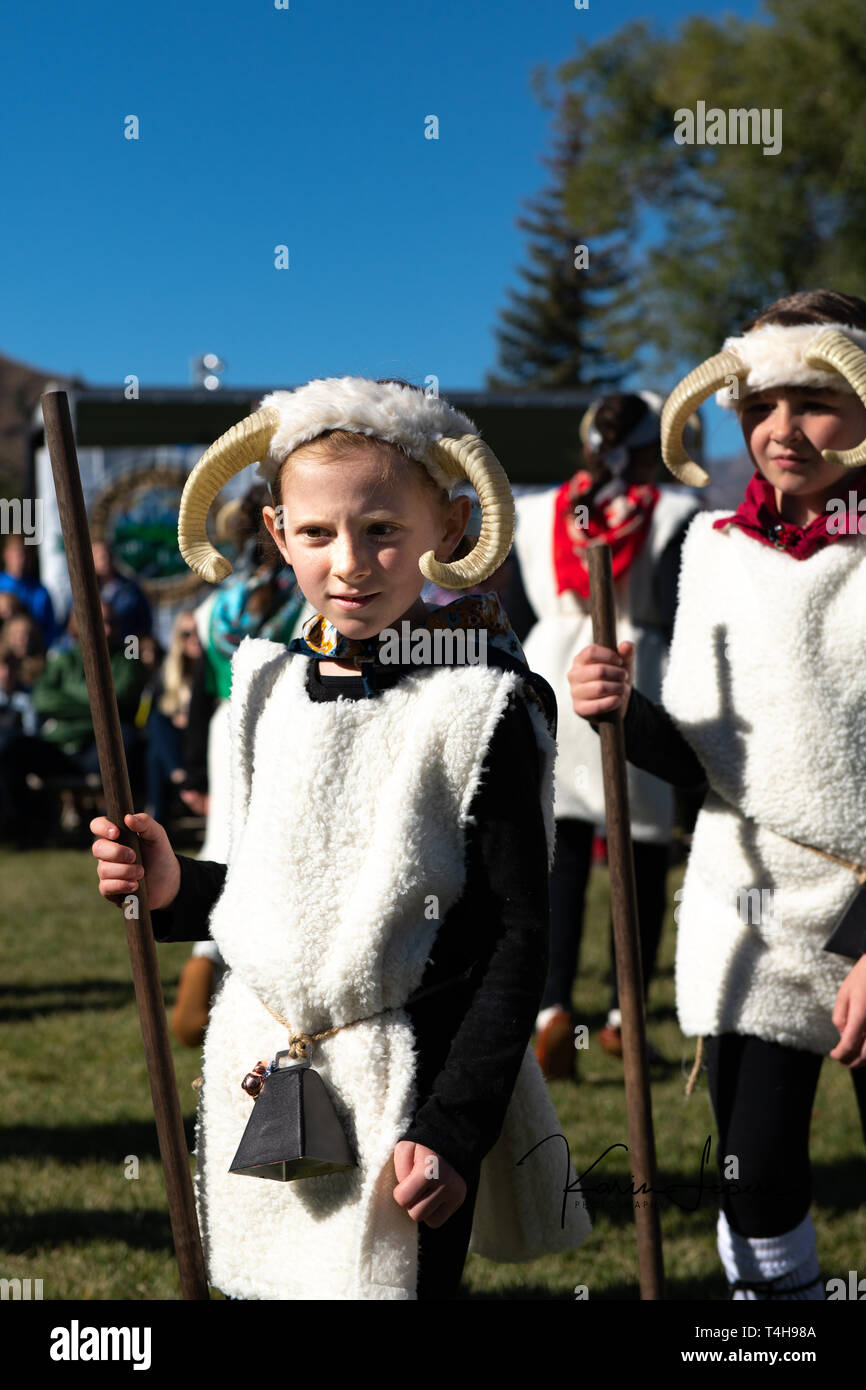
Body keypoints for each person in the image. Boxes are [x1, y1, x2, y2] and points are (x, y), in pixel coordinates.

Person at [90, 376, 591, 1301]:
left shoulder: (484, 702)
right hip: (265, 1069)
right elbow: (283, 889)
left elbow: (515, 937)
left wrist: (451, 1126)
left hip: (409, 1087)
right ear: (279, 534)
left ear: (445, 526)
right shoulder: (268, 686)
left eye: (382, 531)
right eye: (318, 534)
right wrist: (175, 891)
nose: (350, 561)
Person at [569, 289, 866, 1300]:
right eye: (758, 403)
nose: (782, 429)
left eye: (815, 399)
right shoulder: (708, 548)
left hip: (862, 904)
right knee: (753, 1169)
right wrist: (619, 710)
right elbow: (703, 760)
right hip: (745, 900)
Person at [505, 392, 701, 1078]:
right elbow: (686, 609)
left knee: (557, 845)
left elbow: (508, 606)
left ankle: (552, 1009)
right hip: (632, 668)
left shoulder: (533, 513)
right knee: (640, 849)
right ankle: (624, 1018)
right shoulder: (676, 514)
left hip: (552, 669)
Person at [0, 535, 58, 649]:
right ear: (5, 554)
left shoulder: (41, 592)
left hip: (33, 655)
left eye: (26, 553)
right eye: (18, 553)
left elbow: (50, 633)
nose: (22, 559)